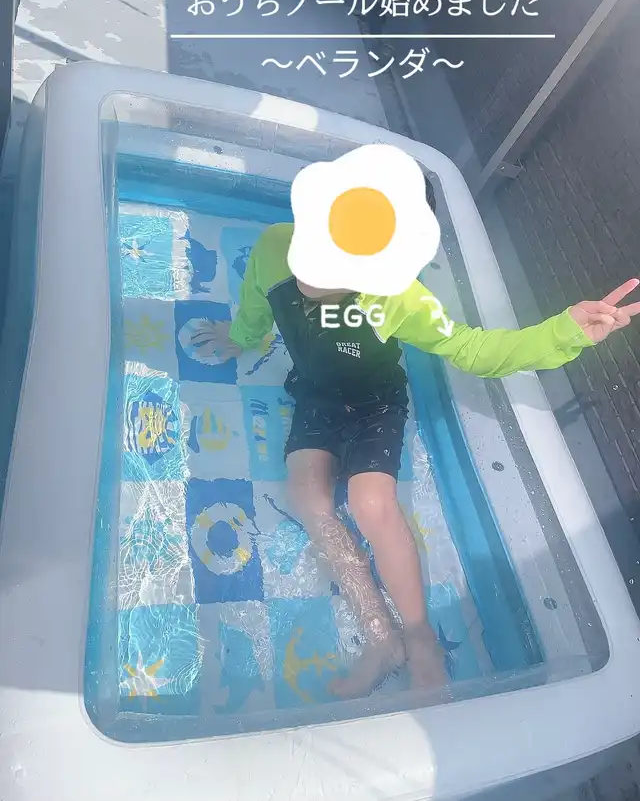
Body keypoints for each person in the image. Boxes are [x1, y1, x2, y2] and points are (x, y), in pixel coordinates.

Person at [195, 180, 640, 699]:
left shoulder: (397, 298)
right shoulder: (277, 246)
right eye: (317, 243)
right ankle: (381, 637)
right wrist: (242, 338)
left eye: (338, 262)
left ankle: (419, 634)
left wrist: (564, 331)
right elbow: (257, 302)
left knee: (371, 503)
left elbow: (472, 349)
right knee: (307, 497)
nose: (312, 267)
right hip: (315, 392)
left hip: (376, 401)